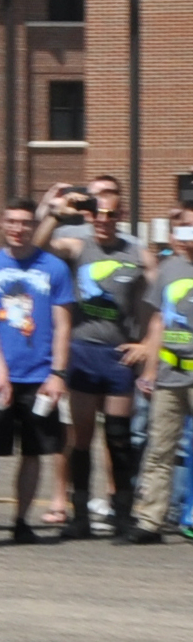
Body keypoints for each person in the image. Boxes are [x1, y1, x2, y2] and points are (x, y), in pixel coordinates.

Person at [51, 176, 146, 538]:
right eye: (96, 212)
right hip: (83, 352)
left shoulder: (137, 254)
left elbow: (158, 303)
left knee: (119, 438)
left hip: (118, 354)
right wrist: (59, 213)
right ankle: (80, 516)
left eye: (110, 212)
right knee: (81, 439)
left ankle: (121, 512)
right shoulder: (77, 247)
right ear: (89, 216)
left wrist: (147, 344)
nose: (103, 219)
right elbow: (40, 244)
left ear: (120, 214)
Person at [0, 201, 74, 542]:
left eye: (25, 223)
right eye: (12, 221)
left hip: (39, 376)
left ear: (35, 226)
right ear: (2, 223)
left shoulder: (55, 268)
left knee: (33, 453)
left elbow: (62, 326)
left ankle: (21, 521)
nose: (18, 228)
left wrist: (58, 372)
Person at [130, 215, 193, 542]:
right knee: (160, 450)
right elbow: (157, 322)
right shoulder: (169, 269)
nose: (187, 236)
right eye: (183, 230)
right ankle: (150, 520)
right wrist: (150, 371)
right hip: (170, 376)